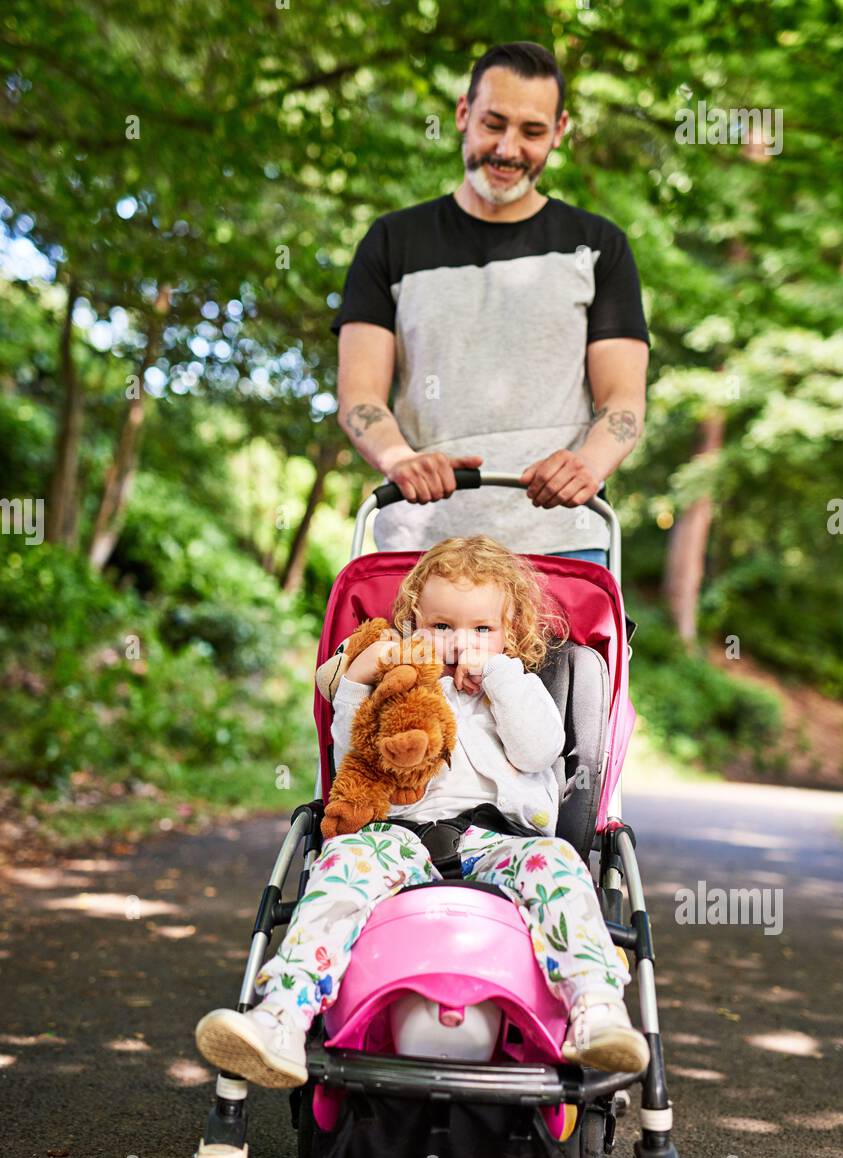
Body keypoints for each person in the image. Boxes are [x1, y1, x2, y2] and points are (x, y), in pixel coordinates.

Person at [195, 537, 650, 1088]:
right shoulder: (400, 686)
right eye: (442, 626)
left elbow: (537, 751)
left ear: (509, 634)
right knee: (340, 869)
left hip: (500, 838)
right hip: (399, 834)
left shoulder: (518, 684)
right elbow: (353, 758)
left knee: (557, 865)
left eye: (482, 629)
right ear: (413, 623)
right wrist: (359, 684)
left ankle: (596, 1008)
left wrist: (499, 677)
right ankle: (283, 1018)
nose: (462, 642)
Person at [331, 41, 650, 570]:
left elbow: (623, 402)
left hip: (561, 549)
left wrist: (588, 465)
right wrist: (401, 460)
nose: (507, 148)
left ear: (560, 130)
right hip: (422, 549)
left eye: (531, 131)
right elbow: (359, 396)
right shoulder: (392, 241)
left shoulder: (597, 247)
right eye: (493, 123)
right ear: (463, 114)